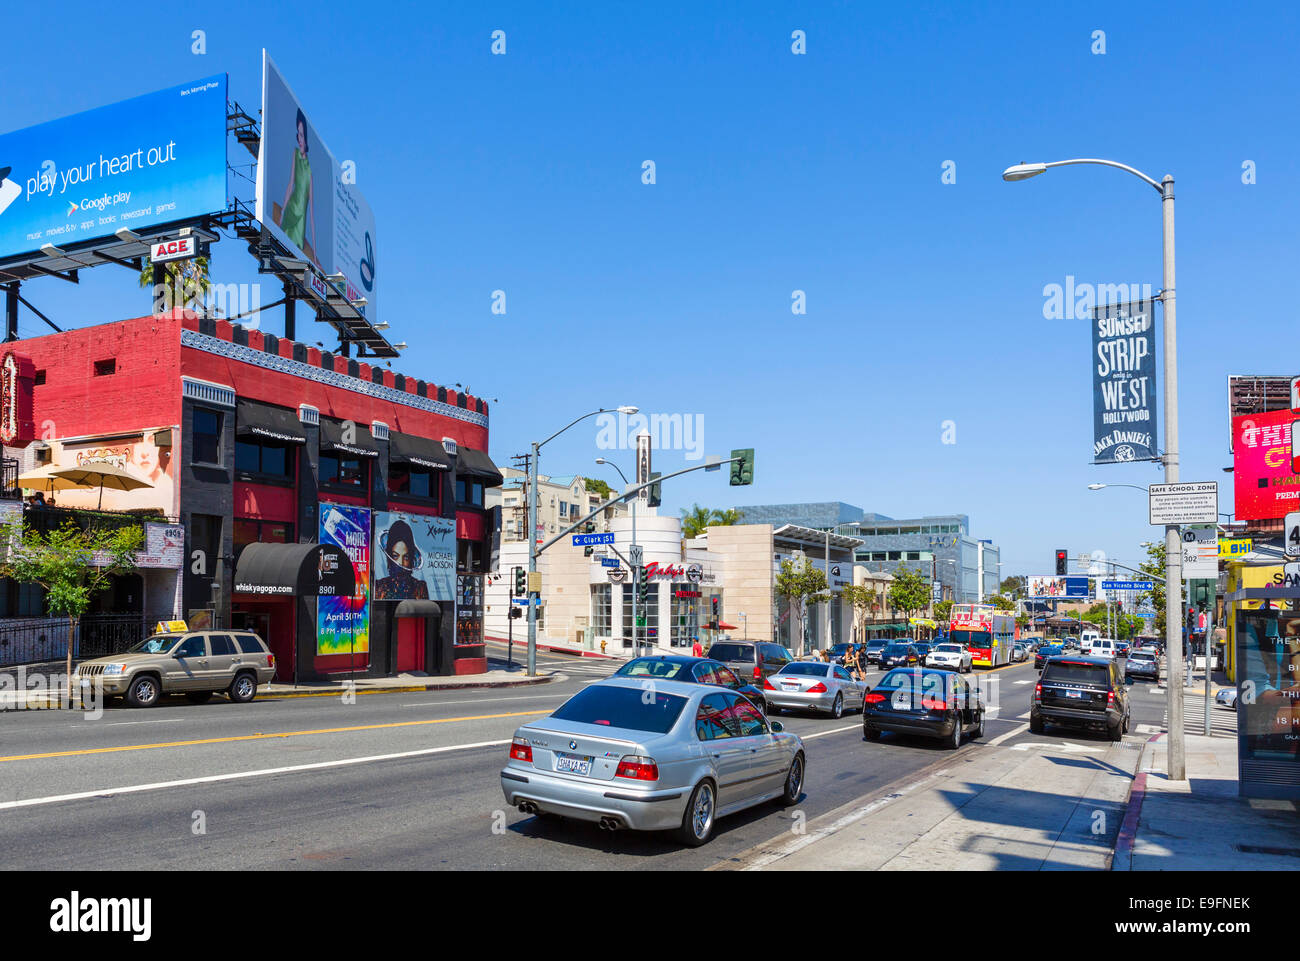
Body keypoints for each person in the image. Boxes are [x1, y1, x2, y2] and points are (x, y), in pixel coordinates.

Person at [277, 108, 318, 265]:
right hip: (290, 212)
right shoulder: (295, 154)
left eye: (302, 135)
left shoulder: (309, 172)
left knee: (294, 249)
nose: (299, 139)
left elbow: (312, 212)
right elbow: (290, 184)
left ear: (306, 137)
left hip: (300, 221)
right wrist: (282, 212)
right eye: (298, 134)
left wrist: (314, 255)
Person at [373, 520, 429, 600]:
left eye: (406, 557)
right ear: (389, 556)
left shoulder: (420, 587)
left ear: (411, 559)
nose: (400, 563)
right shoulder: (380, 587)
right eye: (395, 556)